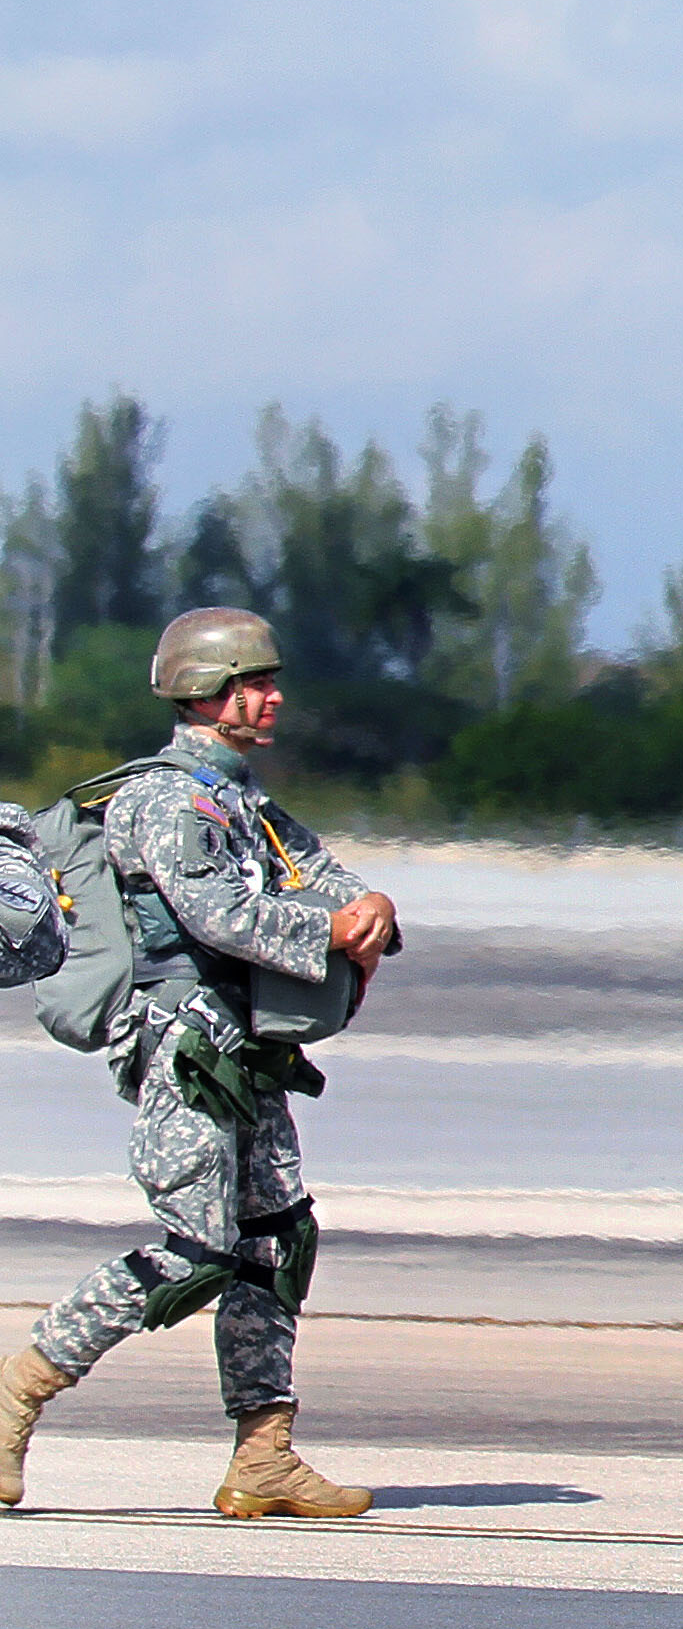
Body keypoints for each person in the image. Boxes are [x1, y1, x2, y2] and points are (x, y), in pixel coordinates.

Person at [0, 609, 398, 1518]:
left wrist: (369, 906)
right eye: (255, 683)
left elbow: (316, 870)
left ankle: (264, 1455)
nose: (272, 697)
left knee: (275, 1240)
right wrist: (330, 930)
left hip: (249, 1051)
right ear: (208, 694)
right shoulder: (165, 801)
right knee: (194, 1250)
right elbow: (221, 915)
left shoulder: (240, 798)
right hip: (187, 1052)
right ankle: (16, 1393)